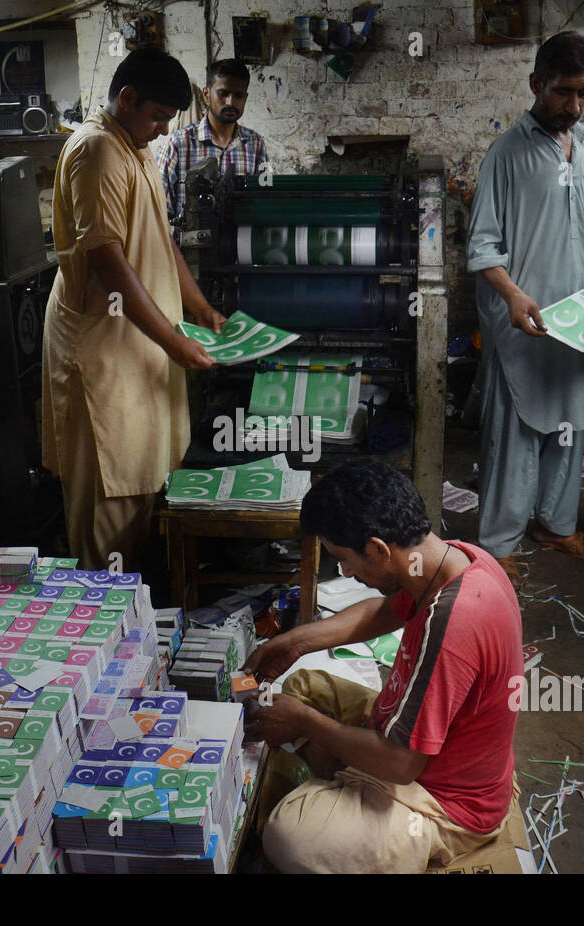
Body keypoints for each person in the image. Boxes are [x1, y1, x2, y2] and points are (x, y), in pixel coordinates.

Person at [241, 458, 523, 873]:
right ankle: (348, 786)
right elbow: (385, 612)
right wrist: (296, 641)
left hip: (445, 799)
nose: (346, 572)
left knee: (289, 833)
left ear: (378, 549)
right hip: (417, 745)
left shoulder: (453, 620)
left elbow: (401, 765)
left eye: (345, 560)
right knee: (302, 686)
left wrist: (306, 724)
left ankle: (354, 797)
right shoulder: (456, 560)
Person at [41, 47, 226, 570]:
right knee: (108, 486)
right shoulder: (98, 152)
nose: (164, 130)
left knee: (142, 478)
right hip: (103, 348)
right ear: (127, 98)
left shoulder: (136, 148)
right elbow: (106, 260)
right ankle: (98, 614)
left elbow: (160, 240)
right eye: (158, 117)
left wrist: (202, 310)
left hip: (138, 345)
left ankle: (133, 610)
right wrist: (174, 340)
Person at [466, 31, 584, 584]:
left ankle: (557, 524)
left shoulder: (583, 145)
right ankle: (497, 543)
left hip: (575, 317)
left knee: (570, 423)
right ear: (537, 84)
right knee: (515, 432)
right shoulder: (507, 154)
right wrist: (514, 297)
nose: (576, 106)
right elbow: (483, 247)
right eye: (564, 93)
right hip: (522, 320)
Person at [156, 58, 268, 230]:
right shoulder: (178, 144)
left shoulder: (256, 145)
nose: (230, 102)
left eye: (238, 95)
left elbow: (266, 200)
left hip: (240, 250)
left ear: (245, 98)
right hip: (188, 252)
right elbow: (157, 212)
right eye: (223, 94)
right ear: (206, 94)